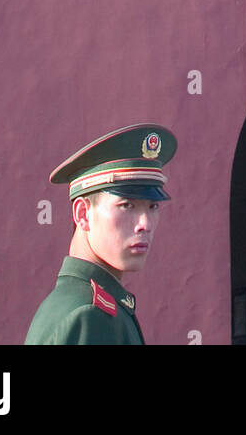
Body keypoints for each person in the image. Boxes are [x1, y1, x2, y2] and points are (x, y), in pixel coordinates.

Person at [25, 123, 176, 345]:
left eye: (152, 207)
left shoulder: (75, 305)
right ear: (83, 213)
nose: (144, 223)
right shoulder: (89, 316)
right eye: (127, 205)